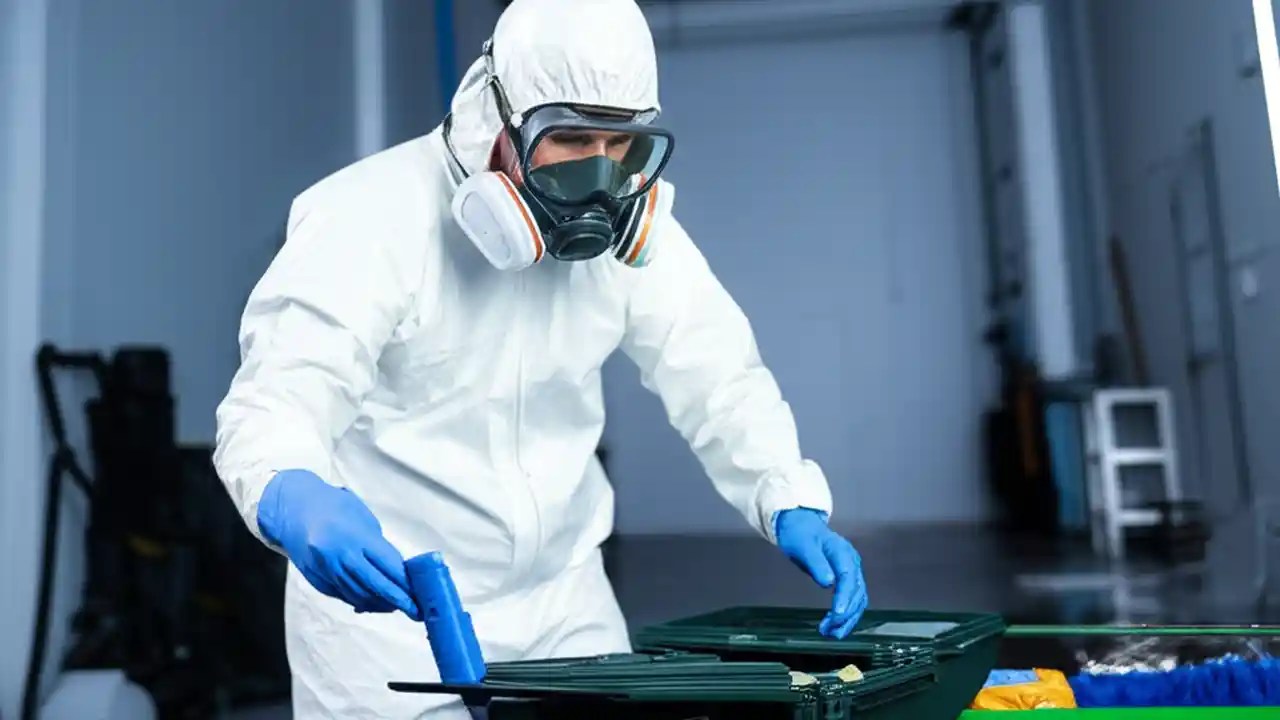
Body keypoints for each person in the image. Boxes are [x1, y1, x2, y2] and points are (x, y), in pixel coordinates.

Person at [213, 0, 868, 717]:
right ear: (500, 116)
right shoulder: (369, 217)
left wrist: (785, 494)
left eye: (622, 145)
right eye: (573, 138)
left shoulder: (628, 229)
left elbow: (717, 375)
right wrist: (291, 490)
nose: (601, 173)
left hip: (565, 602)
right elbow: (278, 395)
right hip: (387, 622)